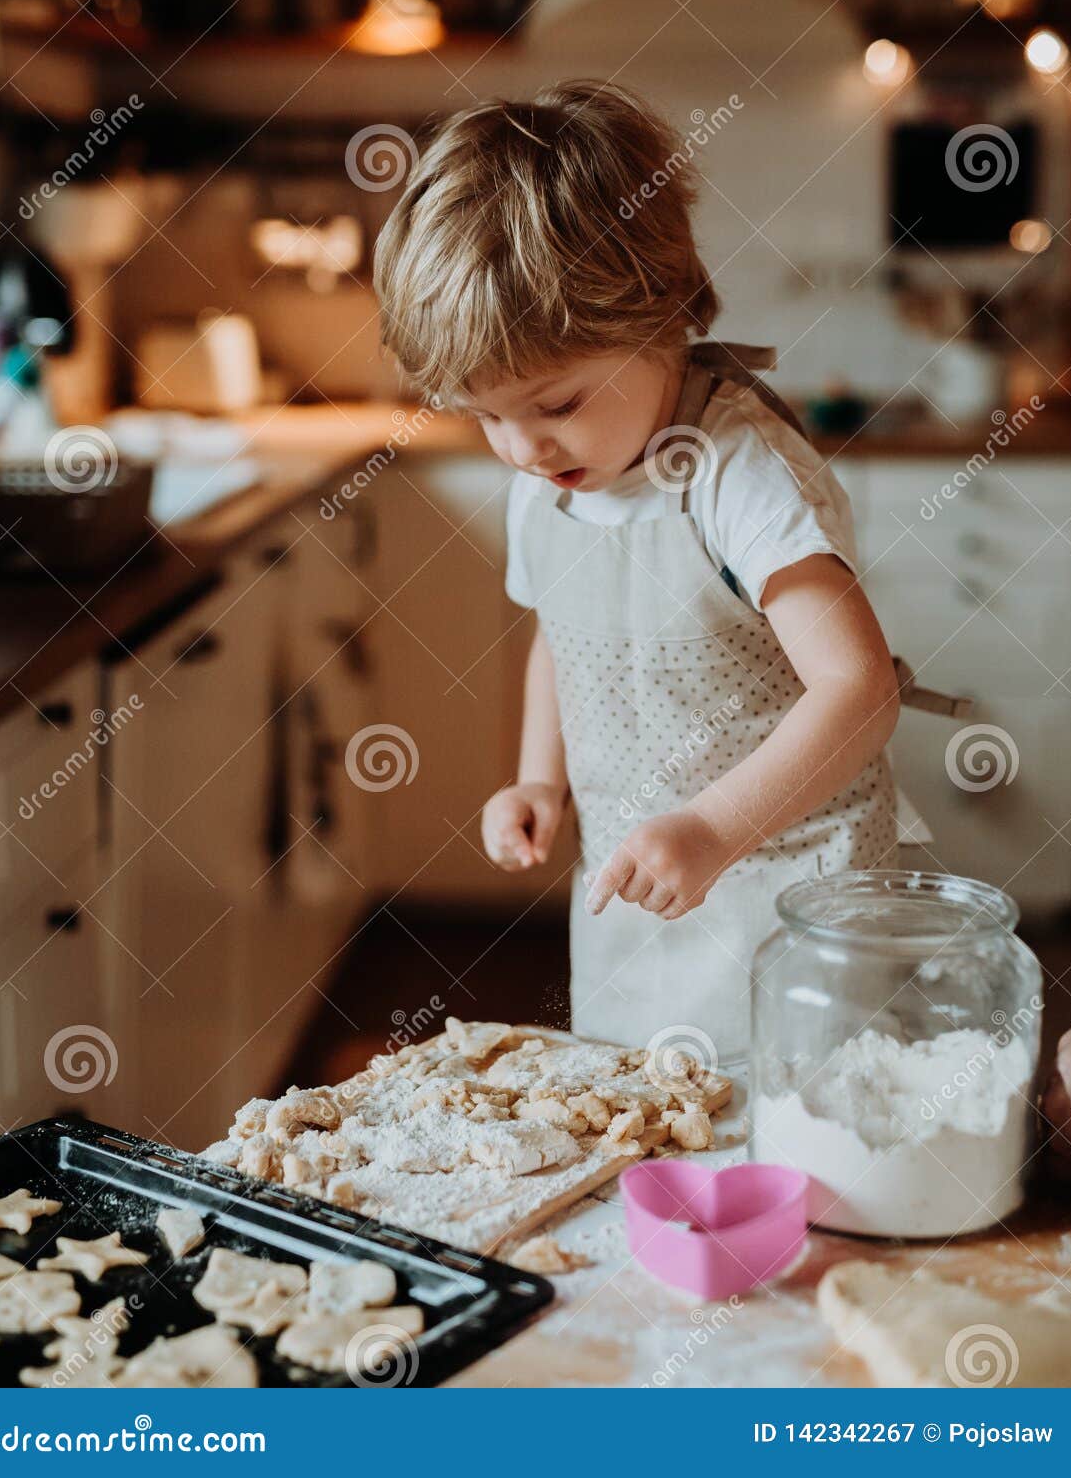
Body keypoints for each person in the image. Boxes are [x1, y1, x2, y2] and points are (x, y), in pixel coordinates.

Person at [373, 81, 899, 1063]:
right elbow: (556, 632)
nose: (521, 446)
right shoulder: (555, 473)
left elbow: (858, 691)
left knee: (795, 1135)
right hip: (639, 888)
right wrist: (539, 779)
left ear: (655, 314)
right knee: (649, 1120)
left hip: (793, 889)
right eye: (484, 416)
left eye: (555, 401)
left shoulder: (740, 474)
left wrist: (711, 828)